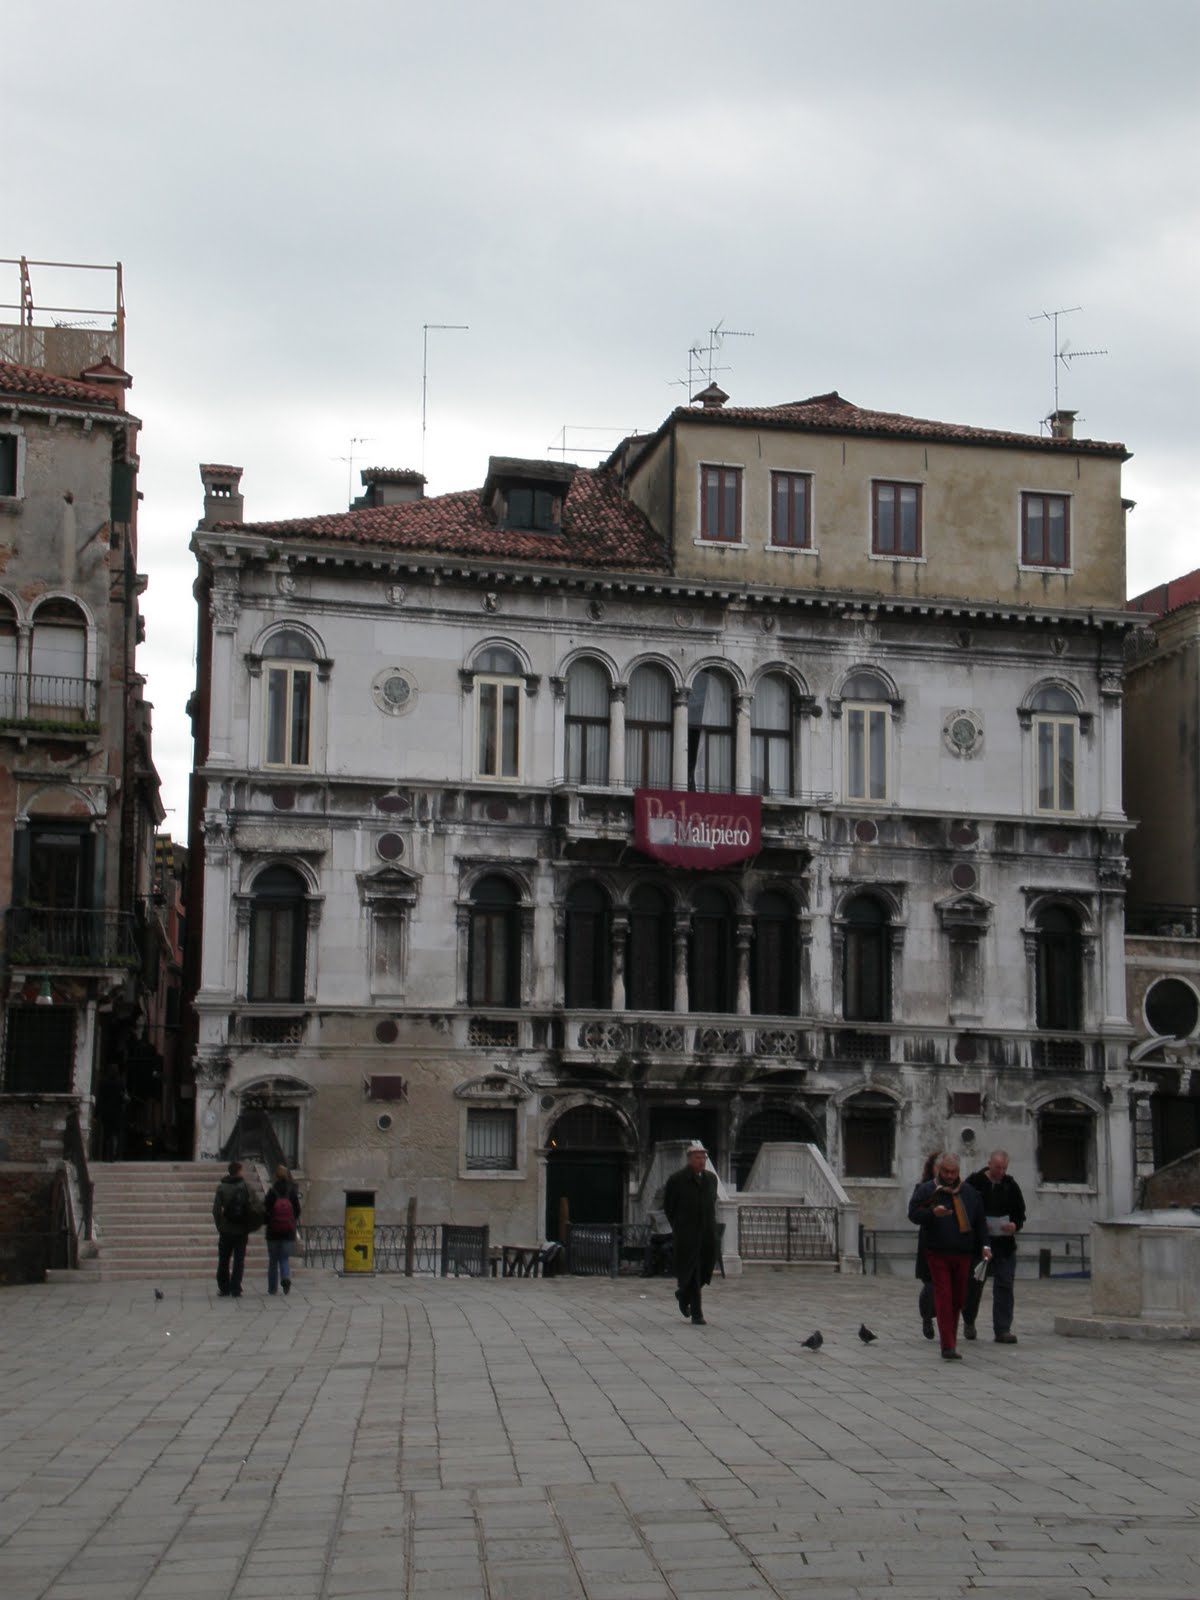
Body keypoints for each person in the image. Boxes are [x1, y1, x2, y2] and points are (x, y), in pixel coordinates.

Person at [908, 1151, 991, 1359]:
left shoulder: (970, 1193)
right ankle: (948, 1346)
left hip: (964, 1253)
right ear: (939, 1170)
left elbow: (980, 1222)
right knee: (944, 1297)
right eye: (946, 1171)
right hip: (937, 1252)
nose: (950, 1176)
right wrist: (931, 1214)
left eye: (953, 1172)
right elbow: (913, 1214)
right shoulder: (927, 1190)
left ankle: (950, 1339)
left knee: (958, 1298)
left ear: (958, 1172)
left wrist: (986, 1245)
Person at [962, 1149, 1026, 1344]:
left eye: (1004, 1168)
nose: (1001, 1172)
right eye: (998, 1167)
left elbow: (1020, 1213)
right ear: (989, 1164)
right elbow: (963, 1209)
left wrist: (1014, 1225)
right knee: (974, 1285)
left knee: (1005, 1285)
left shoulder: (1010, 1185)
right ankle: (969, 1320)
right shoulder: (974, 1183)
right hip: (979, 1245)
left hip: (1004, 1244)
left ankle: (1002, 1329)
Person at [662, 1140, 719, 1326]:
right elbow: (669, 1206)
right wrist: (679, 1226)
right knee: (692, 1272)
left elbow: (712, 1203)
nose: (701, 1160)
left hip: (707, 1233)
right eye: (697, 1157)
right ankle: (697, 1314)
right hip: (687, 1234)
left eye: (704, 1157)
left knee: (704, 1271)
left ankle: (682, 1294)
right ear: (689, 1159)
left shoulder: (711, 1179)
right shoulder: (676, 1180)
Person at [213, 1160, 253, 1298]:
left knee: (224, 1259)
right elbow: (253, 1207)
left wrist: (220, 1225)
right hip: (241, 1230)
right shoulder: (245, 1187)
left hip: (226, 1229)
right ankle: (236, 1287)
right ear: (238, 1171)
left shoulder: (222, 1187)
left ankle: (224, 1287)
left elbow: (216, 1210)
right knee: (239, 1259)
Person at [912, 1150, 939, 1339]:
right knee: (931, 1283)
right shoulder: (923, 1189)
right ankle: (927, 1317)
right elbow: (914, 1214)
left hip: (953, 1243)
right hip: (930, 1242)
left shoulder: (960, 1189)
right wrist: (932, 1213)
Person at [264, 1163, 301, 1296]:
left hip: (273, 1231)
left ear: (275, 1176)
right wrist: (291, 1221)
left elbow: (266, 1210)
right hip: (288, 1231)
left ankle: (272, 1288)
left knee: (273, 1260)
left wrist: (268, 1221)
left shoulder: (272, 1191)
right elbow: (297, 1210)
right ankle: (285, 1277)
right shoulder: (291, 1191)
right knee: (284, 1258)